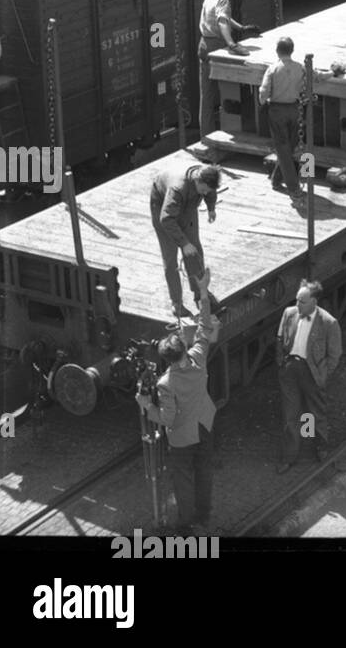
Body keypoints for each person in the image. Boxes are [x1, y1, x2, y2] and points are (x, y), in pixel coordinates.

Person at [137, 265, 220, 533]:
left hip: (183, 436)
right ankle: (204, 515)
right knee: (204, 471)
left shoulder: (166, 384)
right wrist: (203, 291)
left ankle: (185, 522)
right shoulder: (198, 356)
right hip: (205, 424)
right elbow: (205, 327)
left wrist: (147, 406)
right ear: (183, 347)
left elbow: (167, 418)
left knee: (183, 479)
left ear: (165, 358)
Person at [275, 280, 343, 473]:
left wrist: (322, 374)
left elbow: (335, 354)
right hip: (290, 369)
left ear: (314, 302)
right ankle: (290, 456)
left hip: (311, 372)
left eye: (302, 302)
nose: (297, 305)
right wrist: (281, 362)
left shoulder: (329, 323)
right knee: (290, 415)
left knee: (313, 412)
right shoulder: (289, 313)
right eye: (297, 300)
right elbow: (280, 338)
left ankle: (317, 447)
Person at [150, 162, 219, 318]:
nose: (206, 192)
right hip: (163, 209)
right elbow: (166, 219)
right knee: (170, 257)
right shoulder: (178, 188)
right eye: (203, 190)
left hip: (187, 206)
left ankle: (200, 292)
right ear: (197, 181)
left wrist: (211, 208)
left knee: (195, 250)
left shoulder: (205, 181)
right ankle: (177, 304)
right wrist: (184, 243)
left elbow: (211, 191)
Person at [198, 0, 248, 140]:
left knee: (206, 96)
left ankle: (206, 136)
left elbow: (223, 17)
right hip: (216, 46)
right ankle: (232, 132)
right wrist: (232, 44)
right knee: (229, 89)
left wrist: (240, 27)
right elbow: (221, 21)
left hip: (204, 44)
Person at [260, 36, 304, 195]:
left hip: (277, 111)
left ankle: (293, 187)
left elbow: (263, 91)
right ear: (292, 51)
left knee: (283, 149)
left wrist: (262, 101)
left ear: (277, 51)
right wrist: (334, 73)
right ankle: (277, 180)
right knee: (290, 147)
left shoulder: (272, 69)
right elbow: (317, 76)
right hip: (295, 109)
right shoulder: (301, 67)